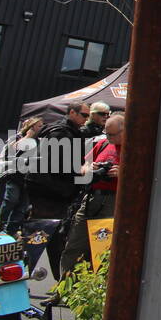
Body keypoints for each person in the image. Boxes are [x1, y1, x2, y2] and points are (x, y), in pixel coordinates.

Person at [56, 113, 124, 281]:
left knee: (102, 248)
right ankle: (65, 289)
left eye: (112, 134)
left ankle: (97, 290)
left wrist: (123, 173)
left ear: (125, 131)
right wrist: (89, 168)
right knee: (74, 244)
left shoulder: (136, 150)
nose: (108, 137)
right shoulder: (102, 144)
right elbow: (83, 166)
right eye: (106, 133)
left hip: (114, 200)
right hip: (91, 198)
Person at [25, 100, 89, 276]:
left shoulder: (62, 131)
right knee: (44, 234)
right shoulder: (61, 133)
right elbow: (59, 164)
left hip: (48, 190)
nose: (86, 119)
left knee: (48, 235)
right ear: (72, 113)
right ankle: (25, 273)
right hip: (50, 191)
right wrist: (81, 172)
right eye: (84, 115)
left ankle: (55, 277)